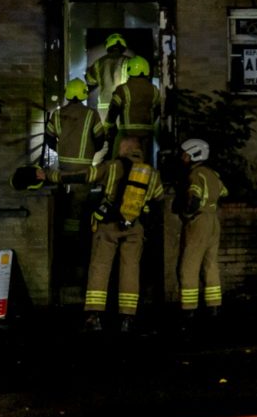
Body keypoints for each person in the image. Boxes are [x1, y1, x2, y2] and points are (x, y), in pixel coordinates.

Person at [38, 136, 164, 334]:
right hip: (135, 225)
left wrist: (51, 176)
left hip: (108, 224)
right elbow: (159, 197)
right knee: (130, 268)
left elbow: (85, 175)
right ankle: (127, 318)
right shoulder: (152, 173)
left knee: (100, 266)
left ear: (124, 149)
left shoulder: (113, 166)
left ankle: (94, 316)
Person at [44, 77, 107, 241]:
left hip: (63, 169)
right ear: (84, 94)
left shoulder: (58, 114)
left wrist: (59, 150)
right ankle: (76, 241)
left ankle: (62, 239)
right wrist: (91, 151)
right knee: (78, 207)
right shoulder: (91, 114)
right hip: (84, 170)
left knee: (64, 204)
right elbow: (100, 139)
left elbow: (49, 138)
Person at [175, 137, 228, 322]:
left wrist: (187, 214)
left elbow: (194, 199)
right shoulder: (213, 174)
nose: (182, 157)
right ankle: (214, 307)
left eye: (185, 154)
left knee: (189, 265)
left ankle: (188, 309)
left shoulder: (195, 175)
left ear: (193, 154)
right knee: (210, 264)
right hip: (214, 221)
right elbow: (224, 192)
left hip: (199, 221)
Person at [107, 54, 161, 162]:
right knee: (144, 164)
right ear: (146, 70)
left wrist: (110, 125)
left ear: (129, 70)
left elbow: (114, 109)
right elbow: (158, 109)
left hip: (126, 133)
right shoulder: (154, 90)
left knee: (117, 162)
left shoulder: (122, 89)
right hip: (147, 135)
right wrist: (149, 123)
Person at [85, 33, 131, 117]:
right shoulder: (130, 61)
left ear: (108, 45)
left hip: (104, 110)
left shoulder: (98, 63)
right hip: (124, 107)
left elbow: (89, 80)